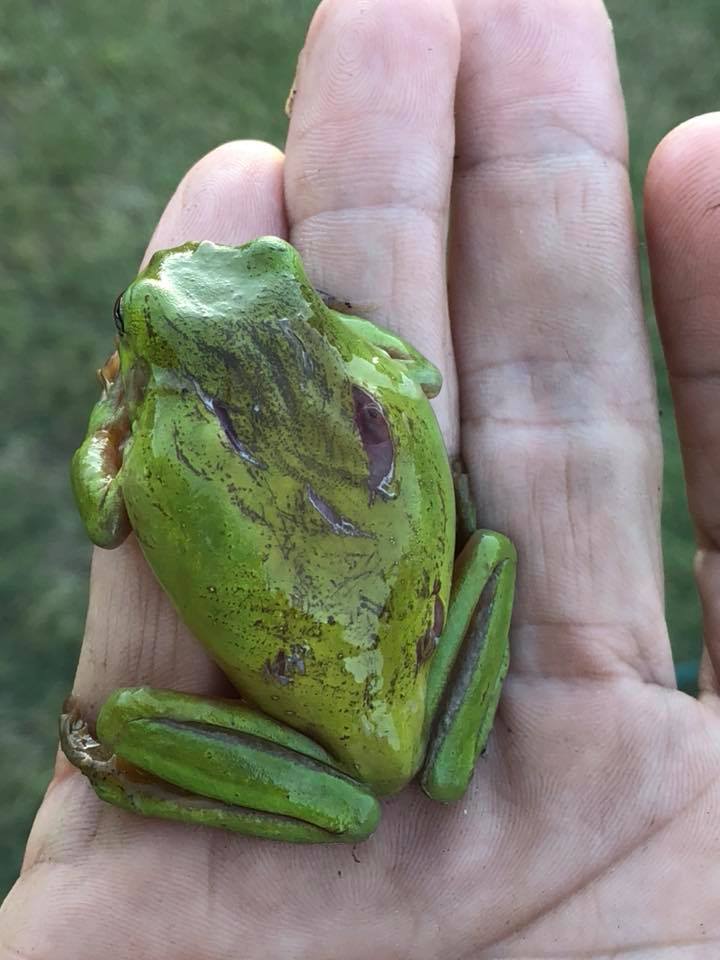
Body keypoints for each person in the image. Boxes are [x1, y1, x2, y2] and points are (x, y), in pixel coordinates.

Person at [3, 0, 718, 955]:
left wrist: (112, 412)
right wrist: (328, 327)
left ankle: (167, 776)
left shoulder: (159, 442)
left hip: (352, 699)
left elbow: (101, 511)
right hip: (413, 699)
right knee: (490, 546)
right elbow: (417, 374)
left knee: (126, 719)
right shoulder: (359, 370)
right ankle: (386, 754)